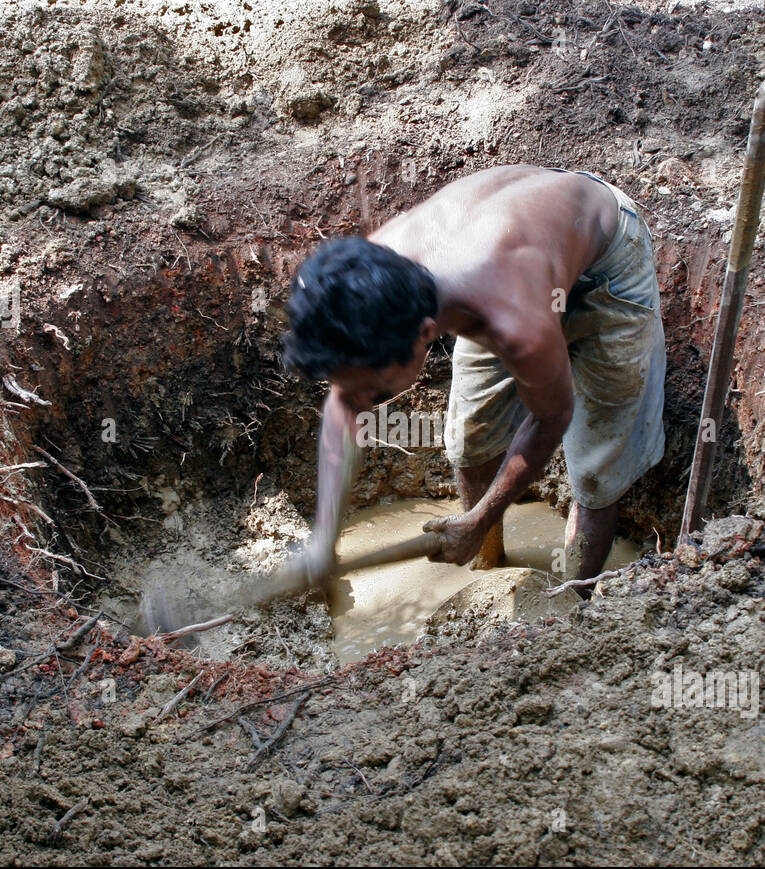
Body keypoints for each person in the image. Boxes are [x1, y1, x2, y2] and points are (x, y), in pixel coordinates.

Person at [280, 163, 665, 591]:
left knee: (597, 469)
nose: (365, 399)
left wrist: (481, 516)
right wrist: (323, 539)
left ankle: (573, 605)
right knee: (470, 439)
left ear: (426, 335)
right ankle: (488, 572)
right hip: (512, 250)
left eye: (374, 388)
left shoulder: (515, 324)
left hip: (604, 256)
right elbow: (344, 398)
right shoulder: (362, 290)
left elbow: (551, 418)